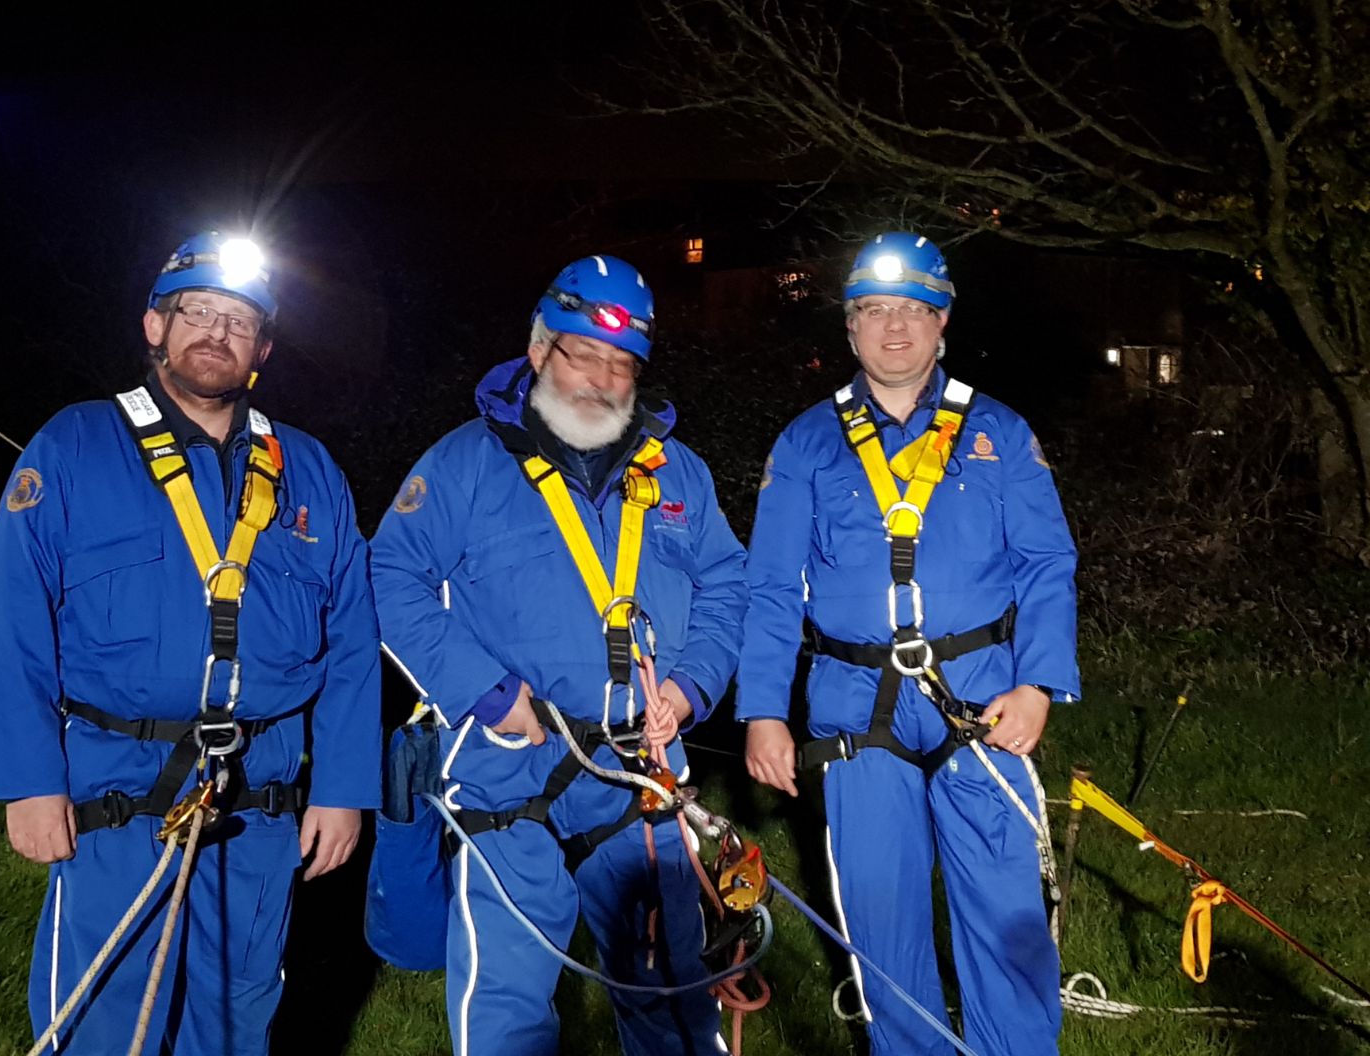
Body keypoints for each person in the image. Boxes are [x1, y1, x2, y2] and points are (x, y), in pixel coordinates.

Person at [0, 231, 381, 1055]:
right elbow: (11, 621)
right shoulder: (75, 445)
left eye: (238, 320)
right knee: (100, 1021)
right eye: (197, 311)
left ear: (261, 347)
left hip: (257, 810)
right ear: (156, 326)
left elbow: (353, 643)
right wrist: (25, 781)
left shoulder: (308, 469)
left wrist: (344, 788)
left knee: (236, 1021)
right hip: (113, 803)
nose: (215, 334)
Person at [372, 255, 747, 1056]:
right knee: (509, 1003)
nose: (602, 378)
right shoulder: (464, 463)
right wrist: (487, 694)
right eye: (583, 352)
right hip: (513, 763)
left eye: (622, 363)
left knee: (671, 990)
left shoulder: (676, 472)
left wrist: (690, 687)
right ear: (540, 350)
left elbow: (728, 583)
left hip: (640, 772)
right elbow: (392, 577)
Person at [738, 233, 1079, 1056]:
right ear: (850, 329)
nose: (894, 328)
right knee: (882, 925)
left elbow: (1047, 564)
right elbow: (773, 588)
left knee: (1007, 921)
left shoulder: (998, 432)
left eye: (912, 311)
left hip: (983, 698)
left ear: (943, 321)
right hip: (859, 712)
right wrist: (760, 714)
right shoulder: (806, 444)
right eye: (873, 312)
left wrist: (1039, 683)